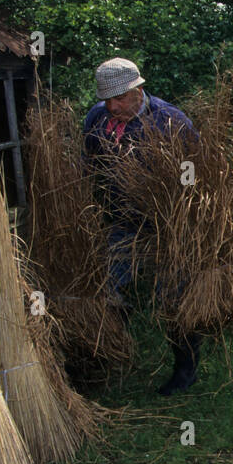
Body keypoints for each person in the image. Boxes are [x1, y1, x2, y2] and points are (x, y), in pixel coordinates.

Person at [83, 57, 201, 395]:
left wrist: (179, 209)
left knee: (175, 299)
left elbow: (197, 172)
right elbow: (87, 164)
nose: (112, 105)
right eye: (107, 98)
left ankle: (185, 370)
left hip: (168, 228)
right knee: (107, 287)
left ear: (138, 90)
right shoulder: (97, 119)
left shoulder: (171, 122)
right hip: (122, 224)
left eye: (119, 98)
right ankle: (113, 355)